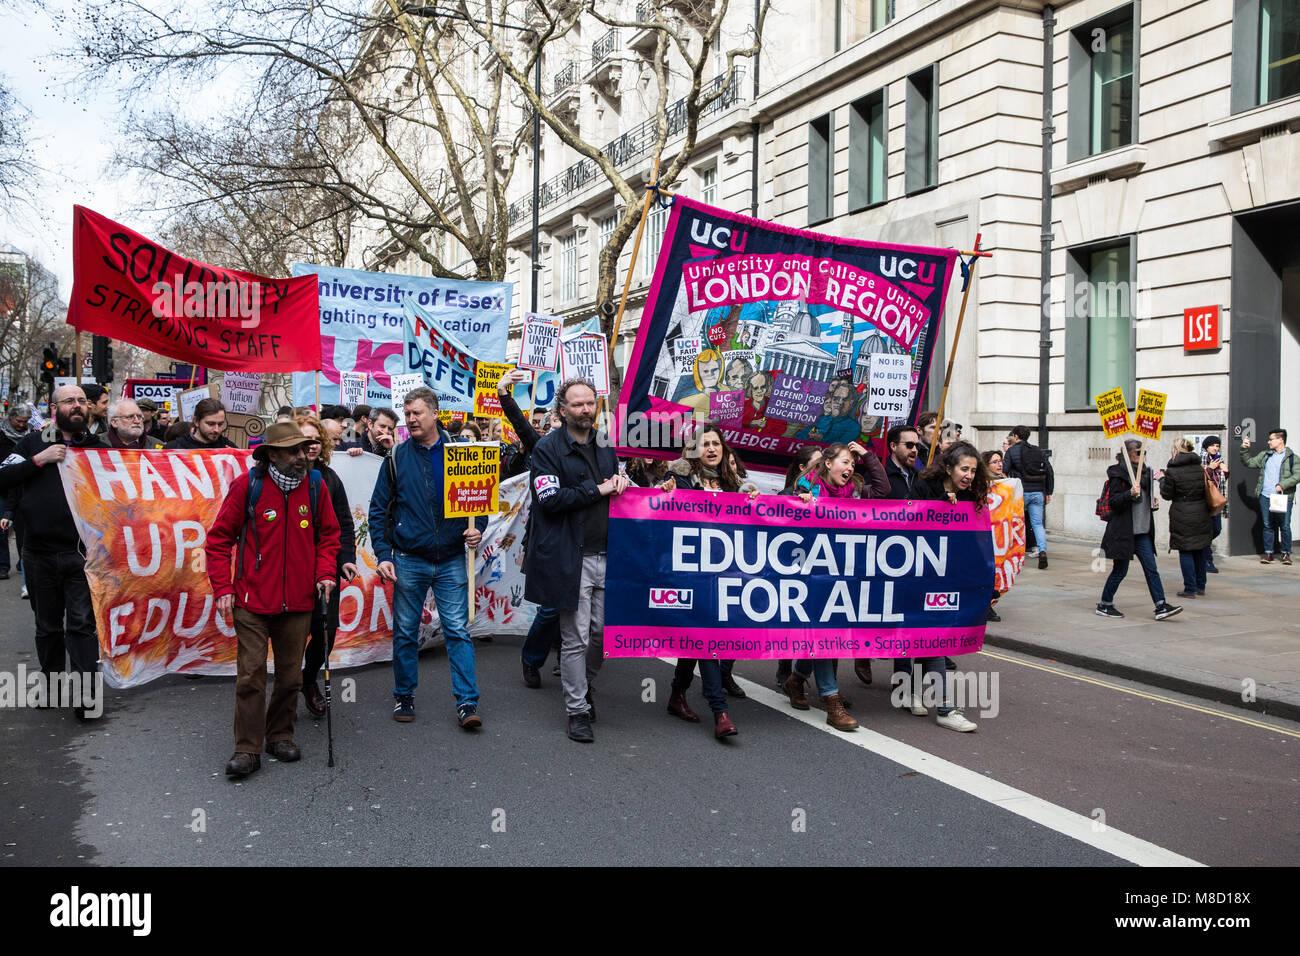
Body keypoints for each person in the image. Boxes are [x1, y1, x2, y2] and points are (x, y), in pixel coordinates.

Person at [206, 422, 341, 778]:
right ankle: (246, 749)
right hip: (251, 601)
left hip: (298, 602)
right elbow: (219, 540)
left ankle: (279, 735)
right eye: (294, 451)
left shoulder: (315, 486)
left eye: (305, 449)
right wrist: (223, 588)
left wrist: (326, 572)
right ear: (273, 455)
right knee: (250, 675)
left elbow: (329, 535)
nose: (303, 456)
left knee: (289, 678)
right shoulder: (247, 486)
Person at [369, 386, 487, 726]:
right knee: (406, 631)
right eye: (406, 414)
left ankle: (468, 703)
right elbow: (378, 511)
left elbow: (479, 501)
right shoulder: (395, 458)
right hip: (408, 558)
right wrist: (384, 553)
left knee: (457, 630)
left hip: (451, 557)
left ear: (435, 414)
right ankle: (403, 696)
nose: (410, 420)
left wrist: (477, 526)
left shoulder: (466, 452)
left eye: (416, 413)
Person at [524, 378, 628, 744]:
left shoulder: (606, 444)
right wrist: (597, 488)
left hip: (608, 553)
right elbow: (550, 500)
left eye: (590, 403)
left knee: (601, 634)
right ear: (563, 410)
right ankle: (577, 710)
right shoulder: (547, 449)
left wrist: (624, 481)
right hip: (572, 557)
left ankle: (584, 688)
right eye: (578, 404)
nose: (586, 409)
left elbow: (620, 480)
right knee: (576, 638)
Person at [0, 385, 108, 717]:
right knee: (48, 627)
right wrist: (38, 460)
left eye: (81, 402)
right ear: (54, 407)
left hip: (82, 554)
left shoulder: (97, 448)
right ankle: (53, 687)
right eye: (70, 401)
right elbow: (3, 476)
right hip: (39, 553)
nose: (77, 406)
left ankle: (86, 696)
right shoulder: (32, 442)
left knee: (81, 624)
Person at [657, 424, 757, 738]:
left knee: (697, 638)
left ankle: (676, 695)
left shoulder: (734, 486)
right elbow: (663, 514)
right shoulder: (681, 479)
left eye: (716, 444)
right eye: (705, 444)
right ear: (695, 450)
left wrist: (755, 501)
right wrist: (665, 494)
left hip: (724, 574)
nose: (711, 448)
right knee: (709, 638)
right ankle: (720, 712)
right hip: (690, 573)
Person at [893, 441, 989, 732]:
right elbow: (905, 521)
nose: (969, 475)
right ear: (949, 468)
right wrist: (936, 505)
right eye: (964, 469)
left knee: (930, 636)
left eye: (973, 470)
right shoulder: (925, 486)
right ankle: (934, 703)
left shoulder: (973, 495)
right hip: (914, 572)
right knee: (913, 632)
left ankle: (917, 696)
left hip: (947, 578)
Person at [495, 368, 562, 687]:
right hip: (548, 540)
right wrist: (505, 395)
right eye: (557, 423)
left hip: (580, 542)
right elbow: (523, 428)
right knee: (551, 608)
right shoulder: (544, 449)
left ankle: (567, 661)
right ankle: (532, 658)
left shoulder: (594, 450)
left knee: (576, 607)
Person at [294, 416, 358, 717]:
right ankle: (287, 689)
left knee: (325, 633)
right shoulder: (282, 476)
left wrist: (346, 559)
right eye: (304, 441)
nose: (311, 446)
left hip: (327, 570)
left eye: (316, 441)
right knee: (291, 635)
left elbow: (345, 523)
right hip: (292, 569)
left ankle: (308, 680)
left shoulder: (330, 479)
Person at [1097, 439, 1184, 621]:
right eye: (1138, 452)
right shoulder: (1118, 474)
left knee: (1151, 569)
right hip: (1124, 531)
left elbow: (1146, 500)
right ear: (1128, 455)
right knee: (1120, 571)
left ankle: (1161, 605)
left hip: (1142, 531)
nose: (1142, 455)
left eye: (1144, 452)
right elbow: (1114, 502)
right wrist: (1129, 494)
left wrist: (1152, 504)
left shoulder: (1146, 473)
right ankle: (1105, 604)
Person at [1160, 438, 1213, 598]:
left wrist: (1162, 479)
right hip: (1201, 512)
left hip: (1182, 513)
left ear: (1176, 450)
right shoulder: (1200, 468)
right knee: (1200, 550)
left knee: (1186, 551)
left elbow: (1167, 494)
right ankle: (1200, 585)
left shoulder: (1172, 471)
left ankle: (1189, 588)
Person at [1240, 428, 1297, 565]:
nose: (1268, 441)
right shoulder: (1265, 455)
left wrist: (1283, 484)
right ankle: (1269, 553)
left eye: (1271, 439)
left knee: (1284, 525)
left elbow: (1297, 475)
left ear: (1280, 440)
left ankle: (1285, 554)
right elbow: (1249, 462)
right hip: (1265, 496)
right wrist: (1244, 449)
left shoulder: (1292, 458)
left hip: (1283, 497)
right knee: (1267, 525)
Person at [1004, 425, 1054, 569]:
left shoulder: (1012, 451)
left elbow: (1005, 471)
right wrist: (1048, 492)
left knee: (1014, 521)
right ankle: (1042, 550)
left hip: (1020, 492)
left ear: (1016, 436)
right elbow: (1049, 471)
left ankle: (1013, 552)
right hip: (1038, 492)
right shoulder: (1038, 450)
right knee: (1037, 524)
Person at [0, 402, 34, 582]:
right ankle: (2, 565)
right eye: (19, 421)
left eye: (25, 422)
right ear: (11, 417)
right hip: (3, 487)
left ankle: (24, 561)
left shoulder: (32, 436)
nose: (22, 425)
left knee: (23, 528)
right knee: (1, 529)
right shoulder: (2, 434)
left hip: (22, 488)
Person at [795, 378, 861, 444]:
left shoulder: (853, 427)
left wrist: (822, 439)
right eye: (836, 398)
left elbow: (841, 448)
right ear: (831, 400)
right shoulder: (822, 419)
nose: (839, 402)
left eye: (844, 399)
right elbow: (799, 436)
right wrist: (809, 435)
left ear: (851, 403)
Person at [164, 398, 238, 450]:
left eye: (220, 424)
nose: (217, 430)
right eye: (211, 424)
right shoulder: (174, 448)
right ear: (196, 421)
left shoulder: (230, 449)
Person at [1200, 436, 1228, 573]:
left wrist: (1225, 471)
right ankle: (1207, 561)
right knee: (1207, 531)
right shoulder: (1201, 459)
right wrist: (1210, 468)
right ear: (1206, 446)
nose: (1215, 448)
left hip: (1216, 500)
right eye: (1212, 445)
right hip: (1205, 500)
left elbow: (1220, 481)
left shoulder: (1219, 460)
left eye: (1217, 446)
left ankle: (1201, 548)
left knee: (1216, 529)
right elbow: (1201, 478)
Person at [884, 423, 921, 498]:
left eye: (917, 446)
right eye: (909, 445)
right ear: (893, 446)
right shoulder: (880, 474)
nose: (914, 450)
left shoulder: (919, 476)